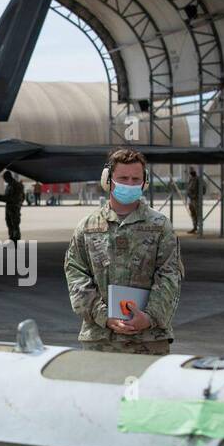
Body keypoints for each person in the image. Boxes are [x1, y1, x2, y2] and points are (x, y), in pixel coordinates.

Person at [64, 148, 183, 355]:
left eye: (135, 179)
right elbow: (76, 274)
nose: (129, 184)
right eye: (123, 178)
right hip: (100, 339)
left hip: (149, 340)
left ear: (144, 182)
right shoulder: (87, 227)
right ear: (108, 180)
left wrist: (149, 317)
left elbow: (169, 276)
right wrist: (104, 316)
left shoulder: (160, 226)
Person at [2, 170, 24, 243]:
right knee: (9, 224)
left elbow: (18, 197)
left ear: (8, 177)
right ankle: (11, 239)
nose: (4, 180)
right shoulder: (9, 185)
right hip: (9, 208)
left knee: (15, 224)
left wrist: (2, 198)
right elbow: (8, 196)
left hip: (14, 208)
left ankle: (16, 240)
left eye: (4, 178)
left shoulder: (16, 185)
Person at [185, 167, 200, 234]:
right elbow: (189, 189)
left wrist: (196, 196)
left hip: (196, 200)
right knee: (193, 214)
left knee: (198, 214)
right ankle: (195, 227)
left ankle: (200, 228)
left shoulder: (198, 179)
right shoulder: (191, 179)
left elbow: (203, 189)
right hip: (191, 199)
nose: (191, 172)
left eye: (192, 171)